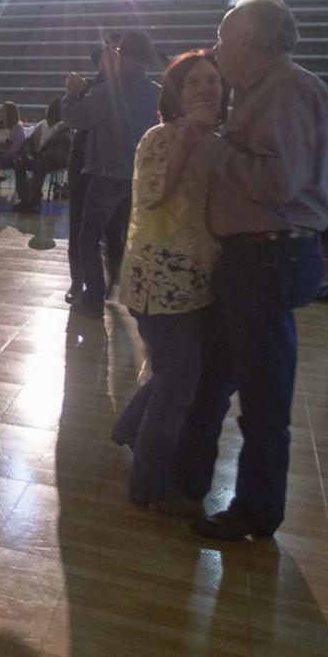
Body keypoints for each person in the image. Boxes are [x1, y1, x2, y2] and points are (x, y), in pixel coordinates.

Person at [174, 0, 328, 541]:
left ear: (247, 41)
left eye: (222, 38)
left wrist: (206, 143)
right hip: (254, 256)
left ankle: (255, 514)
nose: (216, 52)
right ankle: (186, 484)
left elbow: (273, 184)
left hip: (268, 255)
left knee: (262, 401)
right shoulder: (259, 92)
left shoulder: (286, 89)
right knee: (213, 380)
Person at [110, 51, 230, 517]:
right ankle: (148, 484)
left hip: (196, 280)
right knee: (178, 384)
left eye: (214, 81)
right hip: (157, 280)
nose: (206, 88)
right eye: (194, 81)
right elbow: (157, 194)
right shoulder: (160, 137)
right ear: (175, 94)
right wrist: (189, 137)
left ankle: (127, 427)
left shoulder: (216, 139)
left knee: (176, 375)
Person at [61, 39, 139, 316]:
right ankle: (88, 283)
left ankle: (96, 289)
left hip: (98, 167)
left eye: (115, 52)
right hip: (91, 164)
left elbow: (74, 117)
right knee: (98, 228)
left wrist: (74, 95)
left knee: (91, 232)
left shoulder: (103, 90)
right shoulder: (102, 87)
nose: (110, 57)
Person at [99, 31, 161, 289]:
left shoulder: (111, 89)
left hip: (111, 169)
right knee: (131, 226)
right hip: (141, 171)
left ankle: (113, 273)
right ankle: (128, 274)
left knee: (108, 228)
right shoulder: (158, 92)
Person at [13, 94, 71, 213]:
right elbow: (28, 143)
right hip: (37, 157)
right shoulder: (41, 125)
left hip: (53, 160)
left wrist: (45, 155)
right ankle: (24, 197)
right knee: (19, 161)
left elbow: (63, 151)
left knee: (40, 164)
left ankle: (35, 200)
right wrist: (27, 153)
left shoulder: (64, 128)